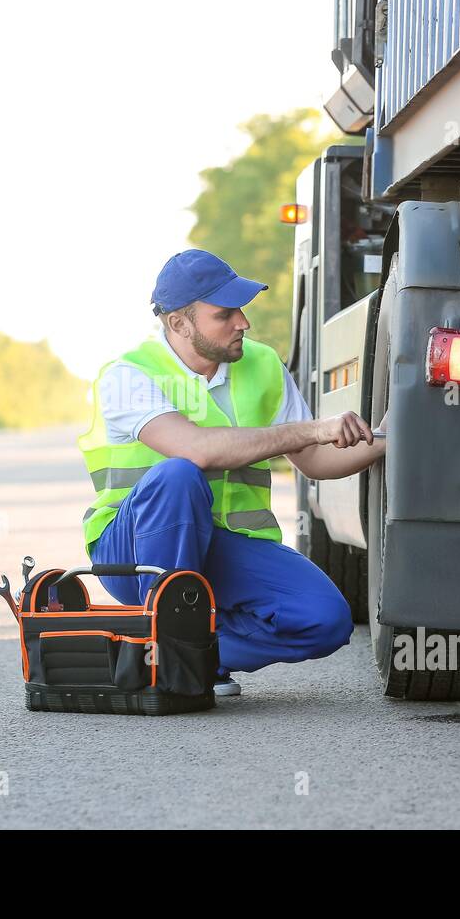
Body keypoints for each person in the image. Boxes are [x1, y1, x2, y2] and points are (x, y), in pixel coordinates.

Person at [77, 249, 386, 696]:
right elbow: (196, 450)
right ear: (178, 324)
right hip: (133, 552)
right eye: (224, 314)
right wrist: (314, 428)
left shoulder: (263, 366)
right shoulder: (127, 376)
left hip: (223, 546)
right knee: (178, 474)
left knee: (326, 619)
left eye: (241, 309)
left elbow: (317, 462)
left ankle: (187, 653)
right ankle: (167, 647)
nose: (243, 322)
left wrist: (388, 440)